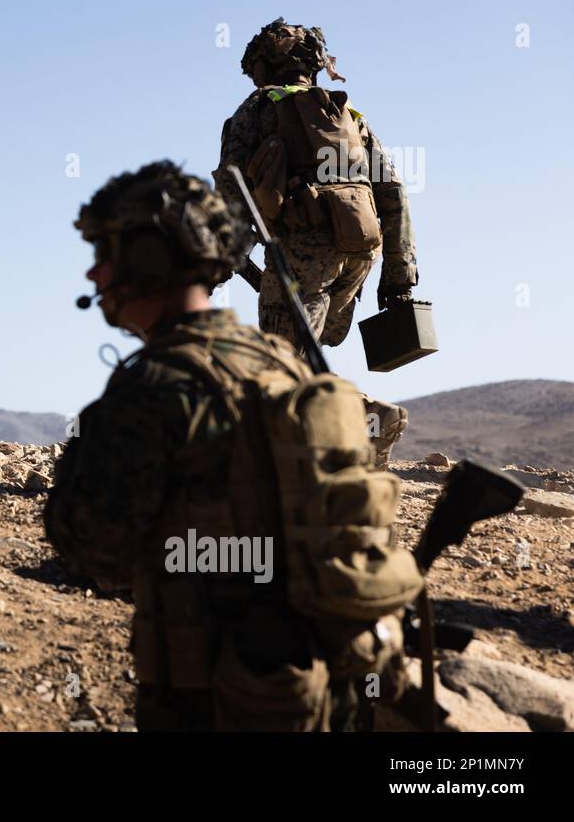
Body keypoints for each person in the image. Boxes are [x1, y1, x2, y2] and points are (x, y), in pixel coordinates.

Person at [45, 160, 413, 731]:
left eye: (106, 254)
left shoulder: (155, 386)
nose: (94, 276)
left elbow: (95, 550)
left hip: (217, 695)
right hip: (325, 687)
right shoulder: (281, 362)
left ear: (147, 260)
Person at [213, 19, 417, 464]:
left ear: (263, 66)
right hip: (361, 249)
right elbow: (393, 193)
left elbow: (231, 192)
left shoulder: (257, 110)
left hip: (303, 250)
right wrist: (399, 277)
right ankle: (342, 449)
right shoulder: (348, 116)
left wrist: (214, 261)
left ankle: (367, 420)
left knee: (281, 359)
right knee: (300, 353)